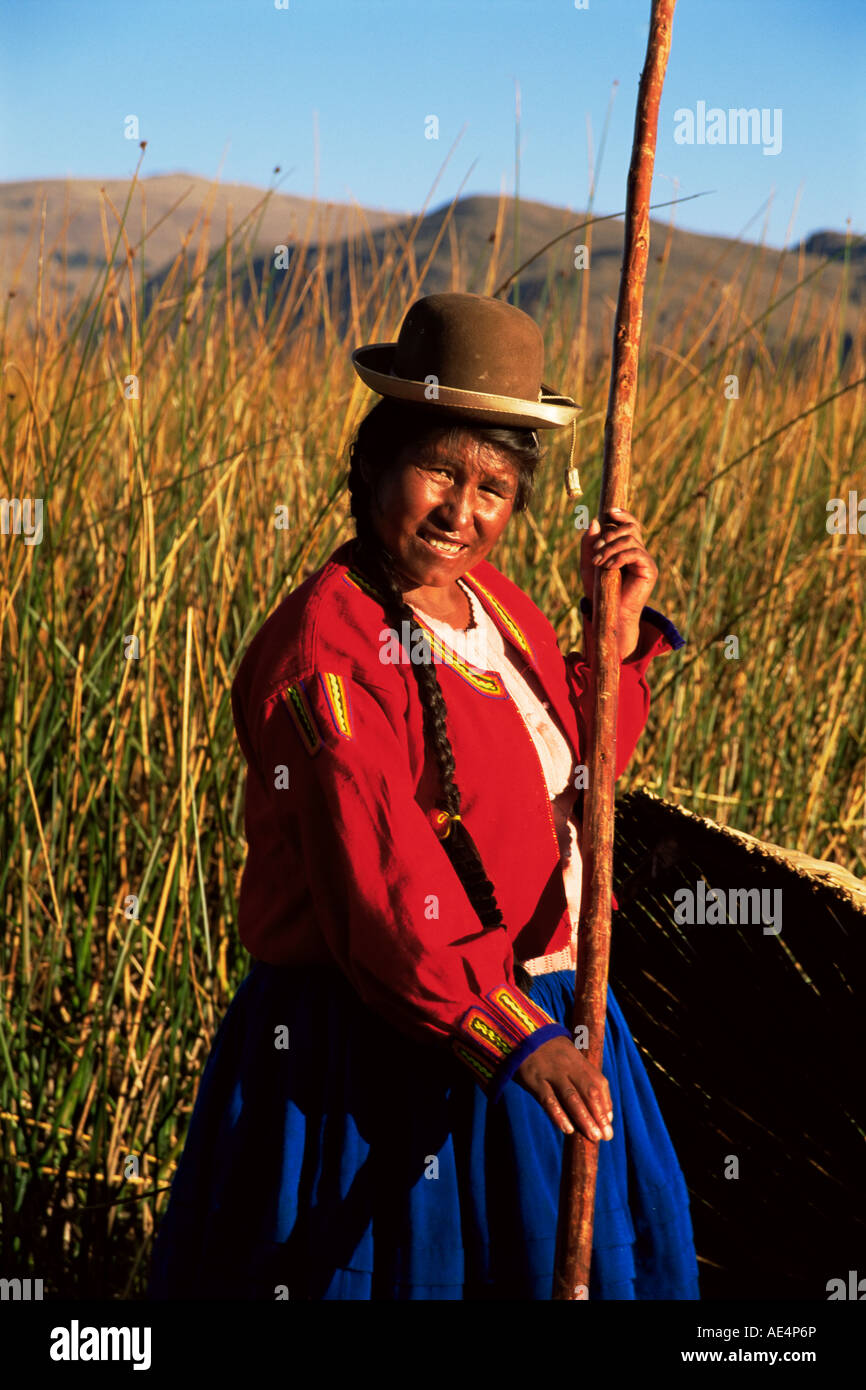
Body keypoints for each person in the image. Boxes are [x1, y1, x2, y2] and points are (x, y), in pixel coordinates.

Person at [148, 292, 700, 1301]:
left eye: (493, 485)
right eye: (438, 469)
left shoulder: (498, 610)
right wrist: (514, 1037)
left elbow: (574, 778)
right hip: (381, 1045)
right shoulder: (326, 651)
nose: (462, 511)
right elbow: (382, 888)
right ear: (373, 463)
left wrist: (609, 647)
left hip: (542, 1017)